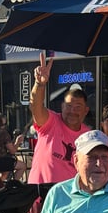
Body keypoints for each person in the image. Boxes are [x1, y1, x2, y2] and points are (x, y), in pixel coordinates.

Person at [28, 52, 91, 184]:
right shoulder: (51, 122)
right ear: (62, 106)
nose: (72, 111)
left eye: (78, 107)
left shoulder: (88, 137)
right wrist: (40, 84)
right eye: (68, 106)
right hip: (40, 197)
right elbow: (35, 106)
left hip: (70, 200)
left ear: (86, 111)